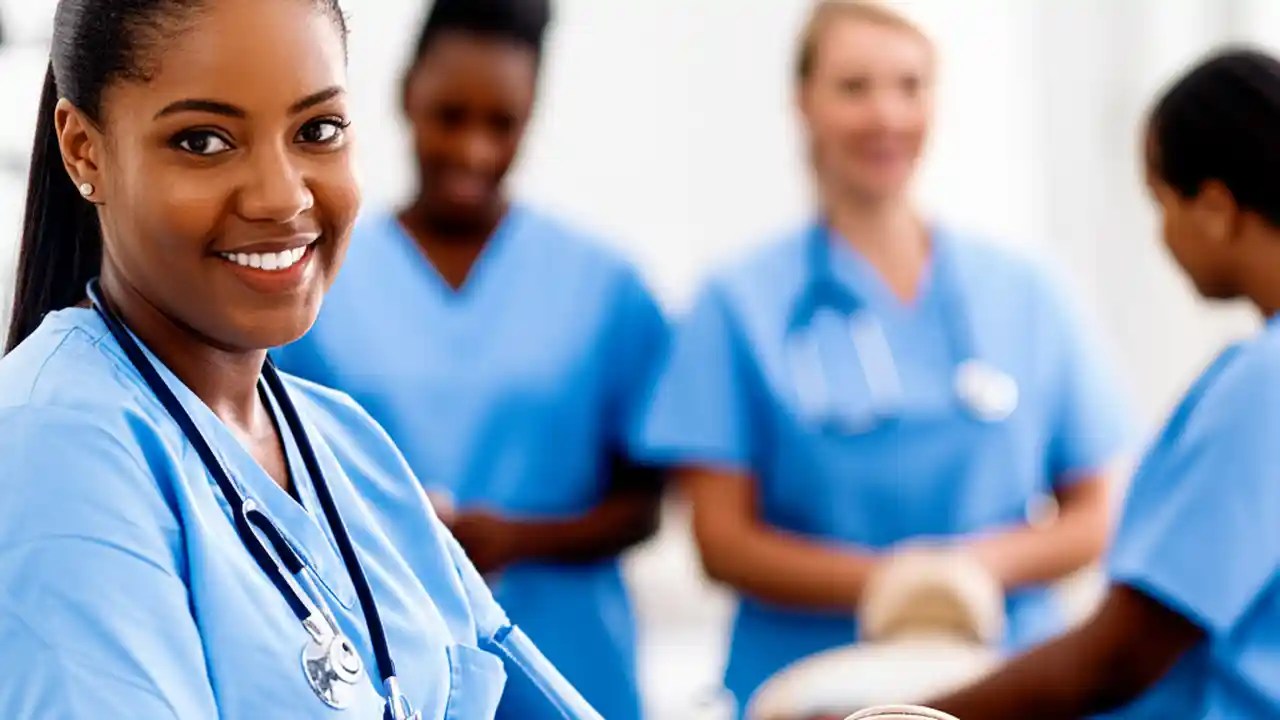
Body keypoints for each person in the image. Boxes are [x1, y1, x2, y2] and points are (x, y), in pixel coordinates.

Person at [0, 1, 601, 717]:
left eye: (317, 130)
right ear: (83, 149)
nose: (282, 196)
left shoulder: (347, 449)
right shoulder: (58, 448)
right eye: (203, 141)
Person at [638, 1, 1130, 714]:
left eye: (910, 86)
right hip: (808, 691)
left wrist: (962, 578)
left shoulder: (1029, 293)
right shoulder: (736, 302)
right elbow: (720, 539)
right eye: (854, 87)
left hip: (1007, 683)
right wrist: (889, 585)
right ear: (803, 102)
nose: (886, 116)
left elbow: (1095, 510)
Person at [272, 1, 668, 717]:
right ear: (405, 96)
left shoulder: (607, 288)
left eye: (502, 124)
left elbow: (646, 507)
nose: (474, 150)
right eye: (450, 116)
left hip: (569, 667)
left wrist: (517, 538)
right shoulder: (306, 283)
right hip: (375, 667)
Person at [928, 47, 1280, 719]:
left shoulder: (1266, 385)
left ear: (1213, 206)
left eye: (1162, 204)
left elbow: (1120, 655)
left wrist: (910, 714)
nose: (1162, 236)